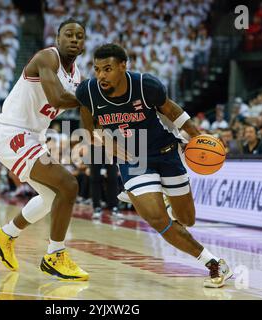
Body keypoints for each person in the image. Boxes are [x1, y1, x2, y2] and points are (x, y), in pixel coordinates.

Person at [75, 43, 232, 288]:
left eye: (107, 69)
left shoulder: (146, 85)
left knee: (187, 219)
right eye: (97, 69)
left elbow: (173, 111)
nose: (101, 75)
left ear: (123, 67)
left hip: (166, 152)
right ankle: (213, 262)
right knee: (158, 220)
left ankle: (160, 198)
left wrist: (199, 137)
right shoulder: (88, 92)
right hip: (132, 158)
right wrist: (104, 141)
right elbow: (89, 129)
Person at [0, 18, 89, 281]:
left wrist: (92, 134)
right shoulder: (47, 58)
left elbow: (88, 111)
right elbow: (57, 99)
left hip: (34, 137)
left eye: (80, 36)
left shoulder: (78, 77)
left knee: (53, 197)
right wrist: (93, 96)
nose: (75, 39)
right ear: (57, 39)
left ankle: (6, 234)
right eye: (69, 34)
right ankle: (55, 254)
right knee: (68, 185)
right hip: (13, 133)